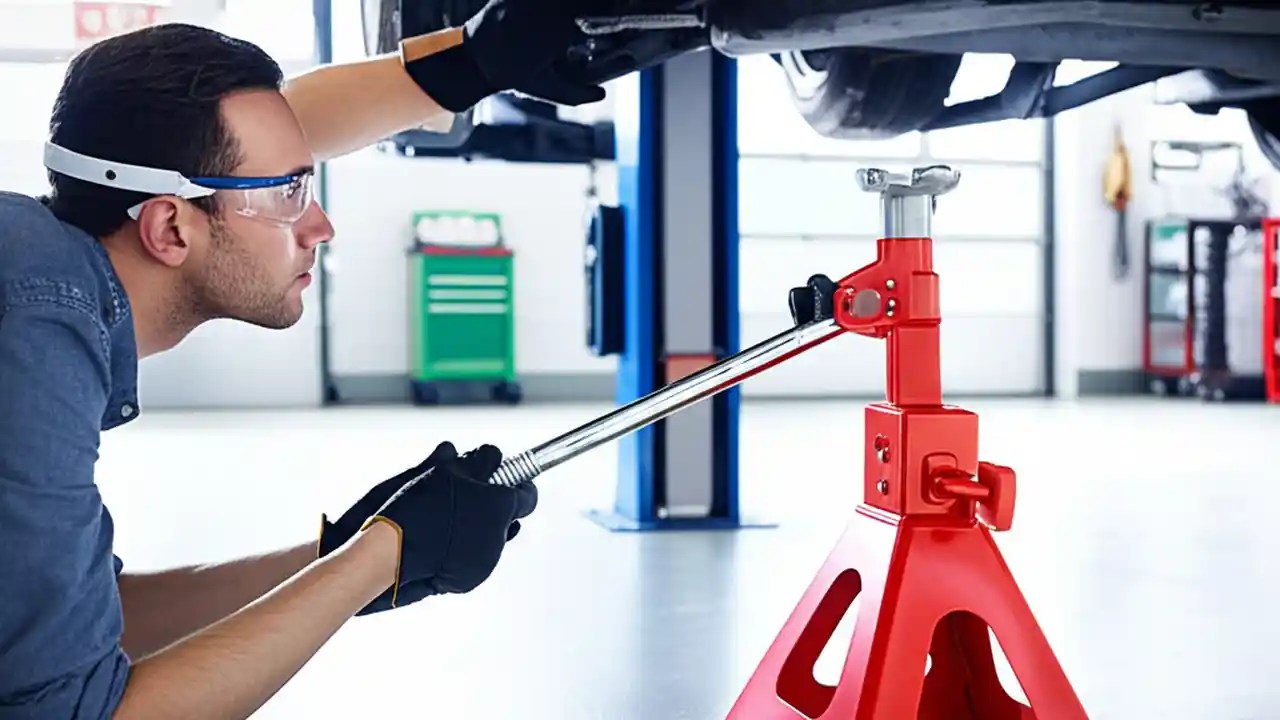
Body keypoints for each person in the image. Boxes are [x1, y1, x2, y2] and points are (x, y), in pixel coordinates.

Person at [0, 2, 605, 717]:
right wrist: (375, 557)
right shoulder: (38, 327)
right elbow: (69, 711)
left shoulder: (40, 274)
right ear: (168, 226)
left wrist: (343, 552)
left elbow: (85, 628)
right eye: (291, 192)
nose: (321, 224)